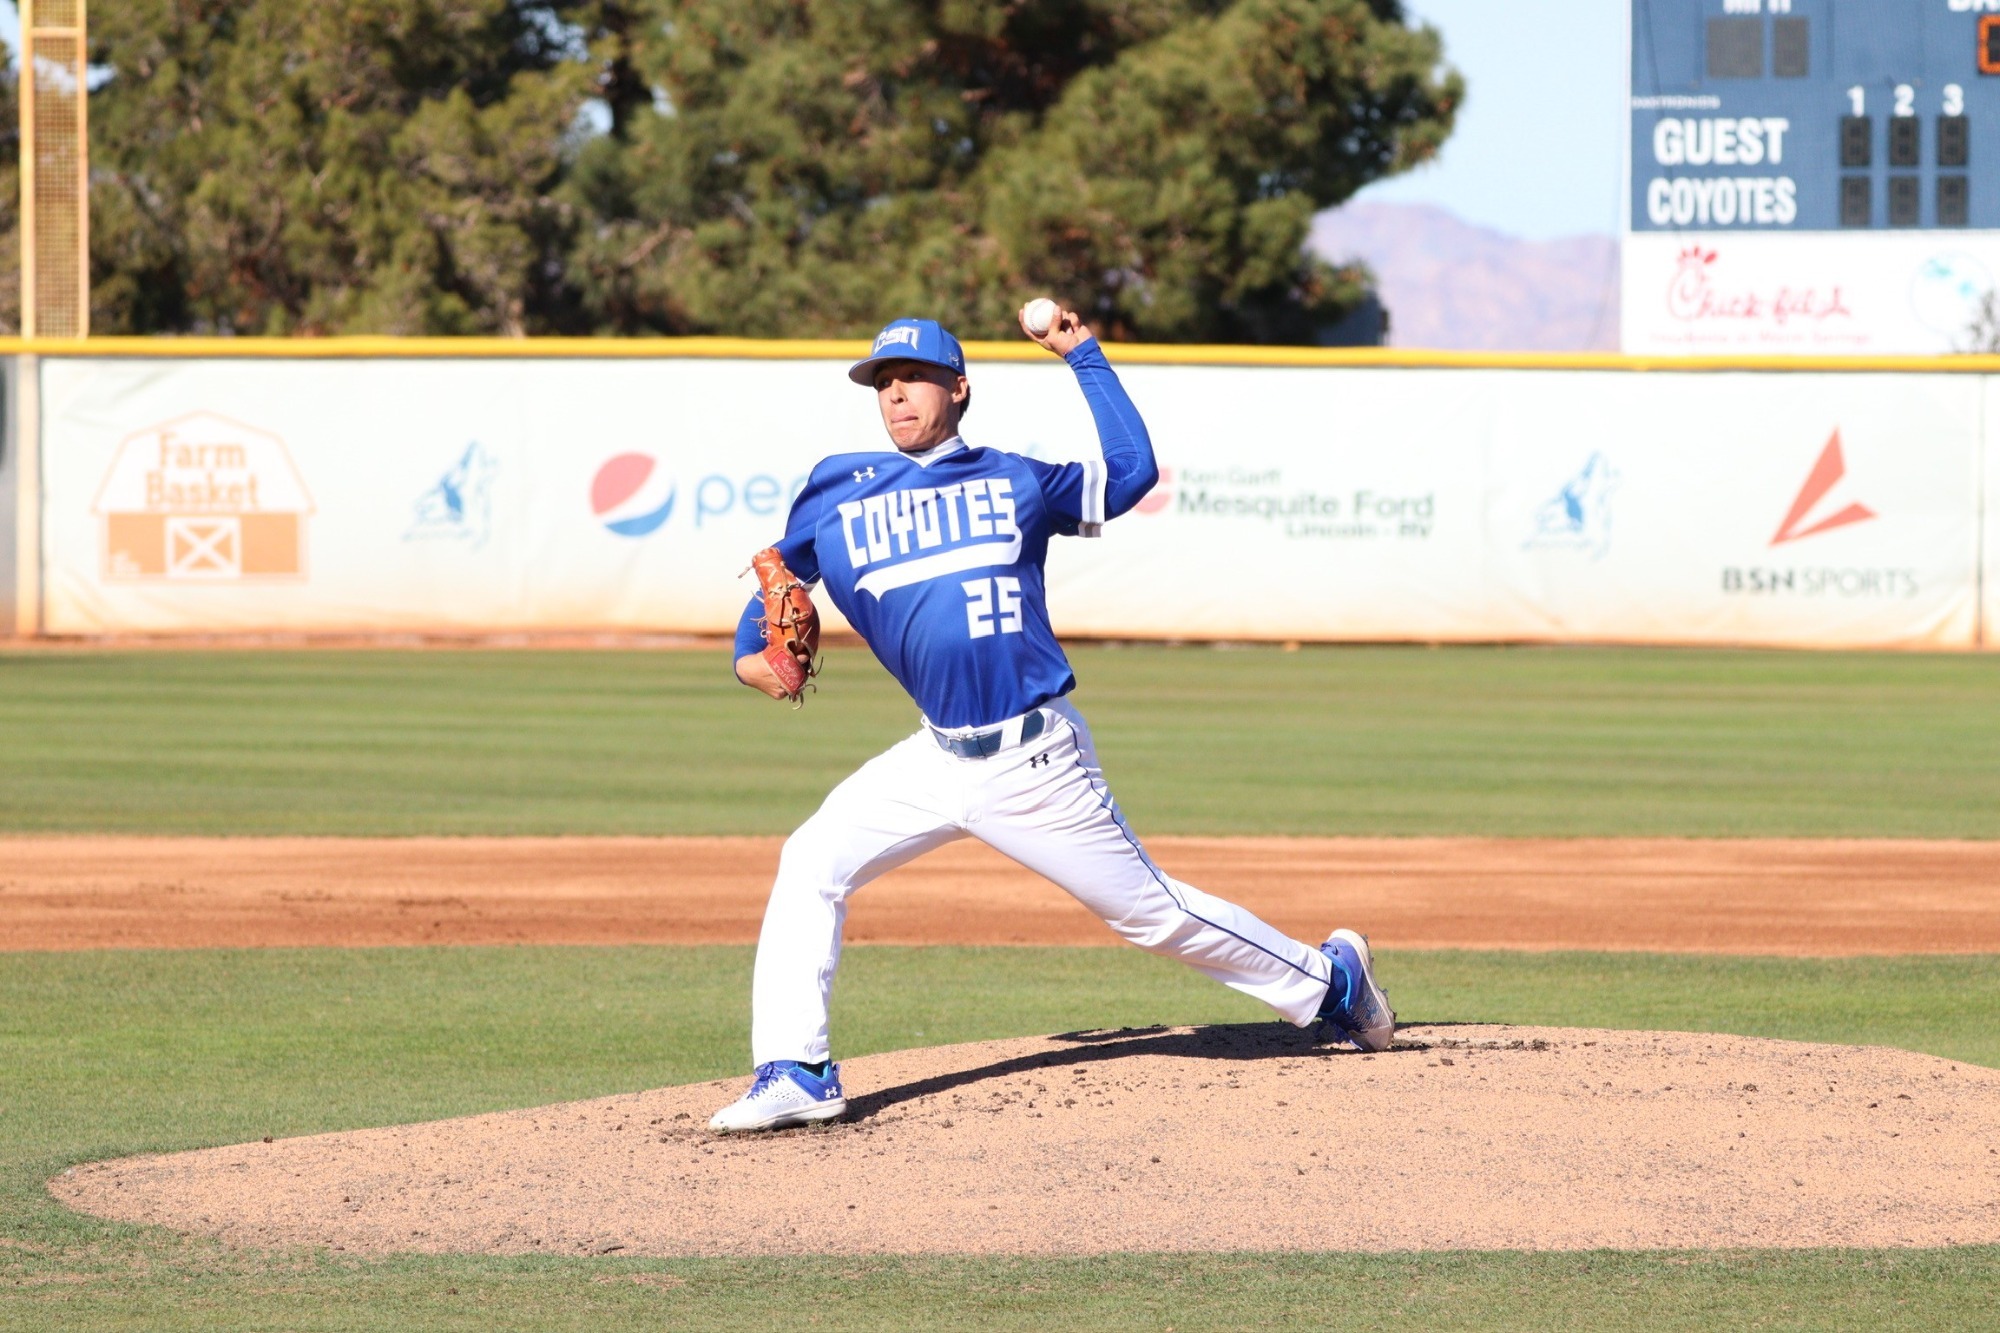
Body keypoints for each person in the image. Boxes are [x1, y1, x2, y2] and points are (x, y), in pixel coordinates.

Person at [708, 306, 1393, 1133]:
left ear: (958, 389)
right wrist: (752, 654)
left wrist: (1083, 355)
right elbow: (779, 581)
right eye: (882, 383)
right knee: (811, 860)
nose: (895, 396)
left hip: (1033, 759)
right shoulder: (838, 488)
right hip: (935, 757)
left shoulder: (1015, 480)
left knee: (1153, 914)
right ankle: (798, 1070)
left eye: (914, 378)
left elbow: (1132, 472)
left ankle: (1333, 985)